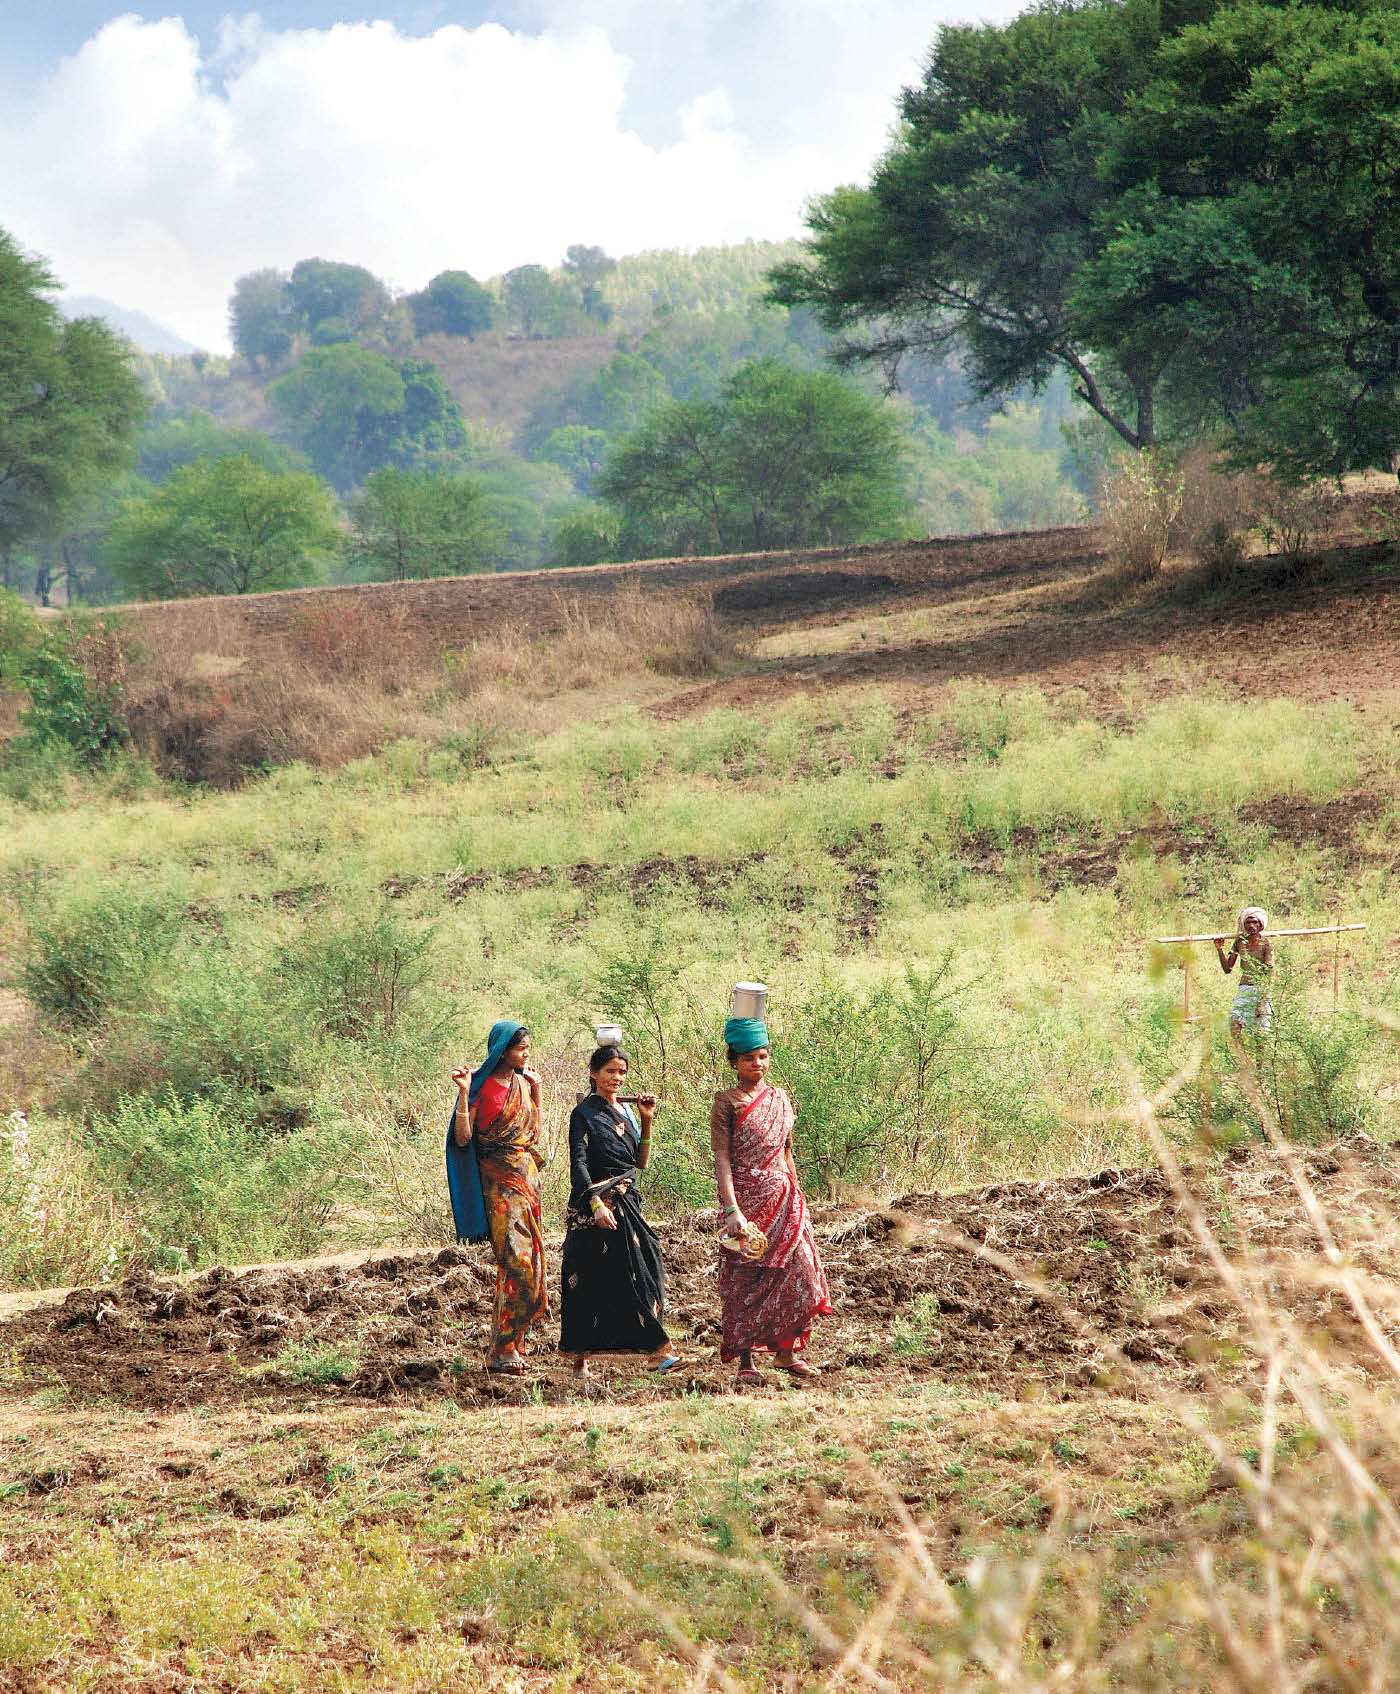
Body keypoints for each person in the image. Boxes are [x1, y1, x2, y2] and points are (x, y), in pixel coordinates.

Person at [710, 1015, 831, 1386]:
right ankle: (746, 1358)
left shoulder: (779, 1098)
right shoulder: (726, 1102)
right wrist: (732, 1209)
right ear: (734, 1062)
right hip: (747, 1199)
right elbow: (722, 1158)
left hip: (784, 1199)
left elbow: (786, 1152)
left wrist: (798, 1194)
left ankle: (786, 1353)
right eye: (749, 1058)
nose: (757, 1064)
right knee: (746, 1278)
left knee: (801, 1272)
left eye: (762, 1056)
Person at [559, 1044, 679, 1376]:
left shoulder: (626, 1113)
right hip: (594, 1207)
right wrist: (596, 1203)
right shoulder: (583, 1114)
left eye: (622, 1072)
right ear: (594, 1073)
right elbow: (579, 1164)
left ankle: (656, 1350)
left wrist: (646, 1120)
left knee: (644, 1267)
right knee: (587, 1278)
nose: (617, 1078)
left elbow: (638, 1163)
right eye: (611, 1071)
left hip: (628, 1202)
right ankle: (582, 1360)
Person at [446, 1020, 548, 1374]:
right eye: (521, 1048)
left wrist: (536, 1093)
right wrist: (462, 1093)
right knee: (516, 1263)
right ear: (502, 1051)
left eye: (527, 1047)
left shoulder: (521, 1084)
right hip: (499, 1186)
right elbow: (463, 1139)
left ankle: (511, 1344)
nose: (526, 1053)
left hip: (527, 1184)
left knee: (533, 1267)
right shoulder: (480, 1086)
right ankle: (501, 1347)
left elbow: (532, 1136)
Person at [1214, 907, 1274, 1034]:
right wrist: (1219, 948)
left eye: (1254, 922)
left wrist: (1262, 1002)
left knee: (1260, 1032)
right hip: (1244, 989)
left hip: (1260, 989)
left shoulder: (1266, 944)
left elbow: (1269, 974)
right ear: (1244, 925)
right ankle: (1240, 1054)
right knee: (1234, 1024)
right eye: (1248, 922)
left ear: (1260, 925)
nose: (1251, 926)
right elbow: (1227, 968)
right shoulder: (1240, 942)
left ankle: (1259, 1054)